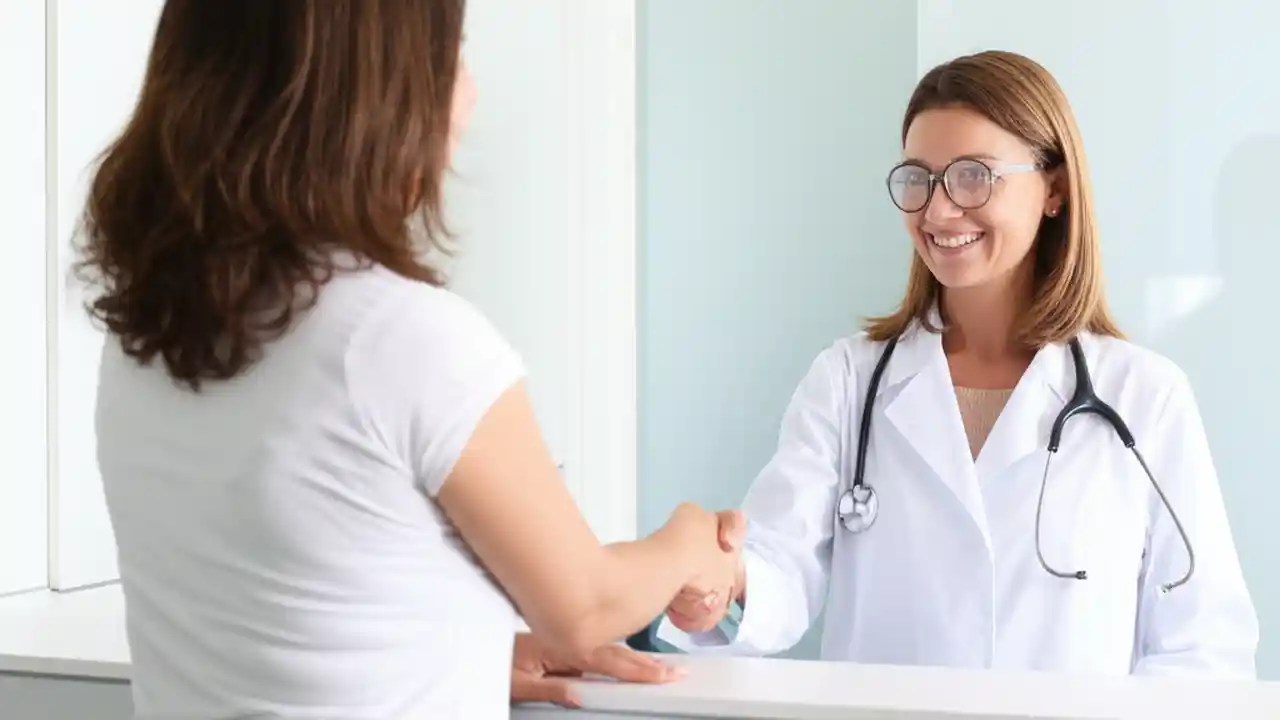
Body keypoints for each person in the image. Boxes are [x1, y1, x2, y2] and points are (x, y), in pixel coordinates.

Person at [78, 2, 741, 718]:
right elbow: (586, 606)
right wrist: (691, 543)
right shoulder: (403, 342)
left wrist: (461, 648)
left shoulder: (146, 337)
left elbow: (281, 600)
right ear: (381, 95)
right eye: (454, 56)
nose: (471, 91)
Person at [660, 50, 1259, 678]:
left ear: (1053, 188)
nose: (938, 211)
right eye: (917, 178)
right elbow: (778, 570)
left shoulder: (1143, 396)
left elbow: (1201, 648)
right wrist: (721, 587)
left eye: (973, 176)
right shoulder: (848, 382)